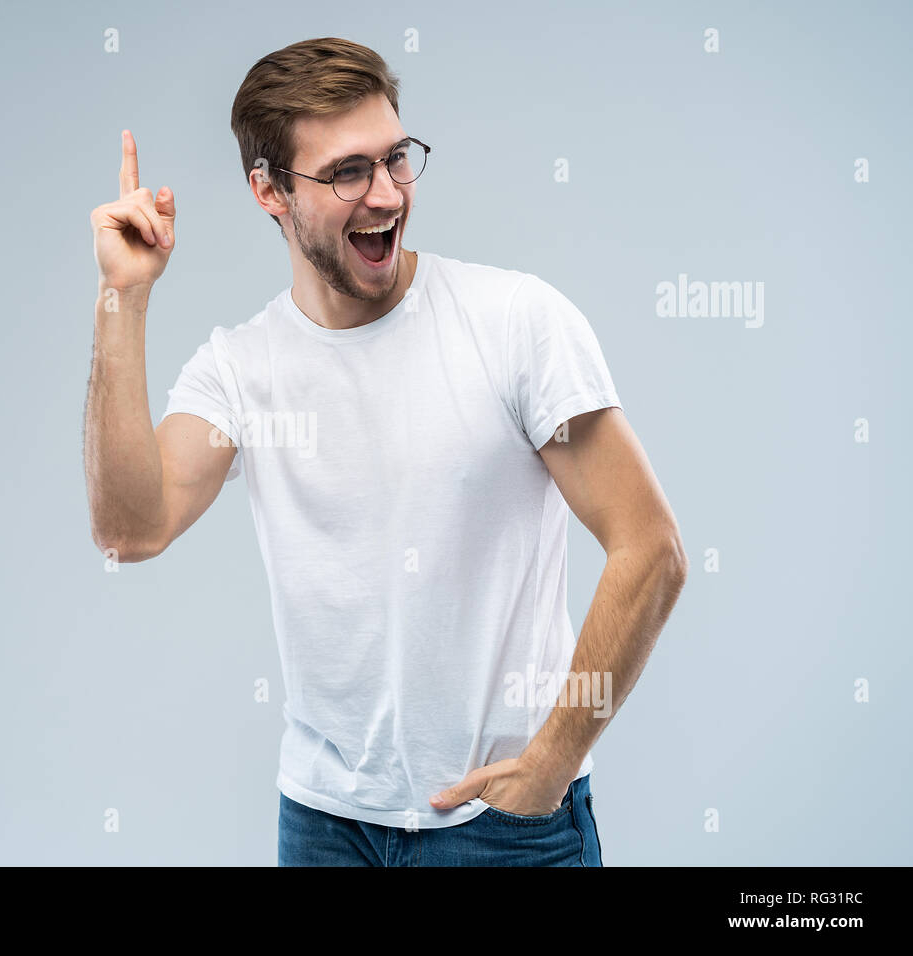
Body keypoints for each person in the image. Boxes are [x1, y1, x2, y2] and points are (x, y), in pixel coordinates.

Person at [84, 37, 688, 866]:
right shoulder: (241, 368)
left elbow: (651, 549)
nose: (387, 195)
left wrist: (547, 768)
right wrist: (123, 298)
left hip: (503, 828)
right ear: (268, 191)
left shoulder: (513, 322)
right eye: (347, 173)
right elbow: (130, 529)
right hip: (326, 826)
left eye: (396, 159)